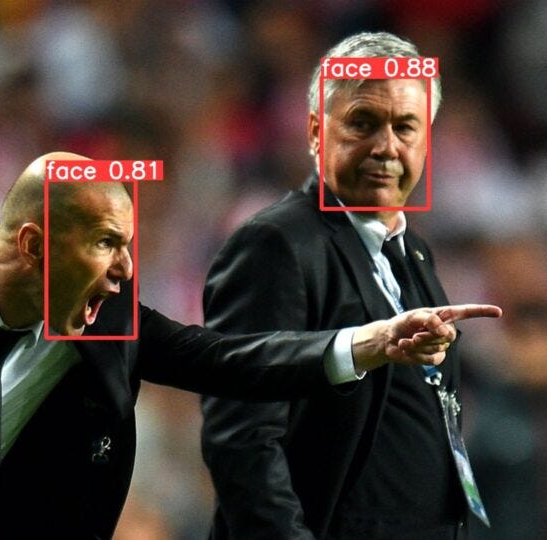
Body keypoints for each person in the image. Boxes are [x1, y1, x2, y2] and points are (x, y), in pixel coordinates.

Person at [0, 151, 498, 539]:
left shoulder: (102, 319)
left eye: (130, 244)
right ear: (35, 245)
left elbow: (222, 358)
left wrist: (364, 342)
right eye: (106, 243)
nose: (129, 269)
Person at [201, 32, 486, 539]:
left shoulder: (415, 252)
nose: (386, 146)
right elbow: (243, 439)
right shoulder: (275, 245)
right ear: (316, 132)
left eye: (405, 126)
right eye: (362, 122)